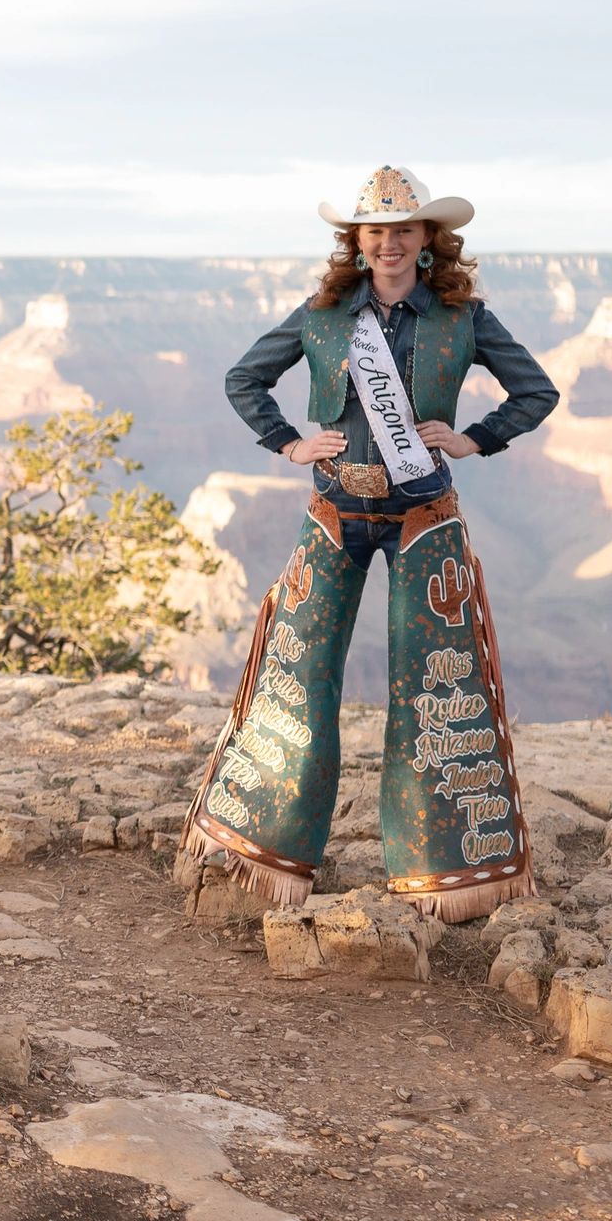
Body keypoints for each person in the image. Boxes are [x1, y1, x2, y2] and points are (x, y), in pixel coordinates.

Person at [183, 167, 559, 922]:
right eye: (375, 231)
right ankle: (266, 848)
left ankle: (442, 873)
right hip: (335, 511)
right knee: (301, 674)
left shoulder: (463, 319)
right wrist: (288, 441)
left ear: (428, 241)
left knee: (434, 687)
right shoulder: (324, 317)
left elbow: (536, 391)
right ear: (357, 241)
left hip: (424, 518)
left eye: (403, 230)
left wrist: (473, 438)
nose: (388, 243)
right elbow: (245, 378)